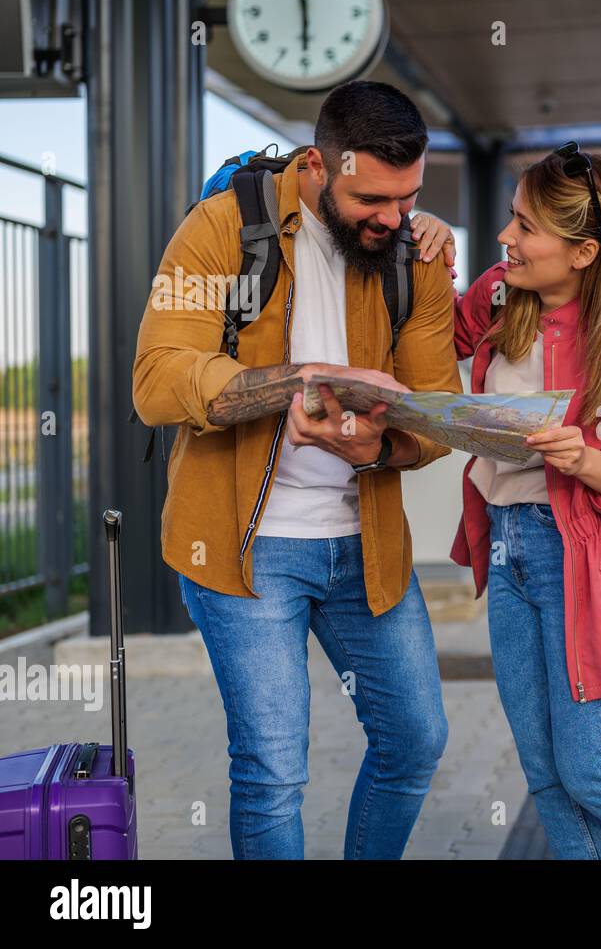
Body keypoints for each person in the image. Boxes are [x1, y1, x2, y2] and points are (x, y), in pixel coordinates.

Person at [132, 80, 462, 859]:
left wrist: (379, 448)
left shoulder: (412, 257)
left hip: (365, 545)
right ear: (318, 164)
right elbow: (157, 380)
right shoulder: (222, 228)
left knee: (415, 742)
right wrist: (299, 379)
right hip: (245, 549)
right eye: (372, 199)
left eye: (408, 197)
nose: (392, 218)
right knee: (273, 771)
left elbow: (436, 407)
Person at [409, 142, 601, 859]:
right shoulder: (496, 295)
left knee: (595, 769)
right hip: (509, 550)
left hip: (584, 564)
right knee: (546, 775)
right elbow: (429, 333)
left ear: (583, 251)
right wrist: (428, 245)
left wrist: (587, 457)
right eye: (511, 220)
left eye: (525, 227)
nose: (506, 238)